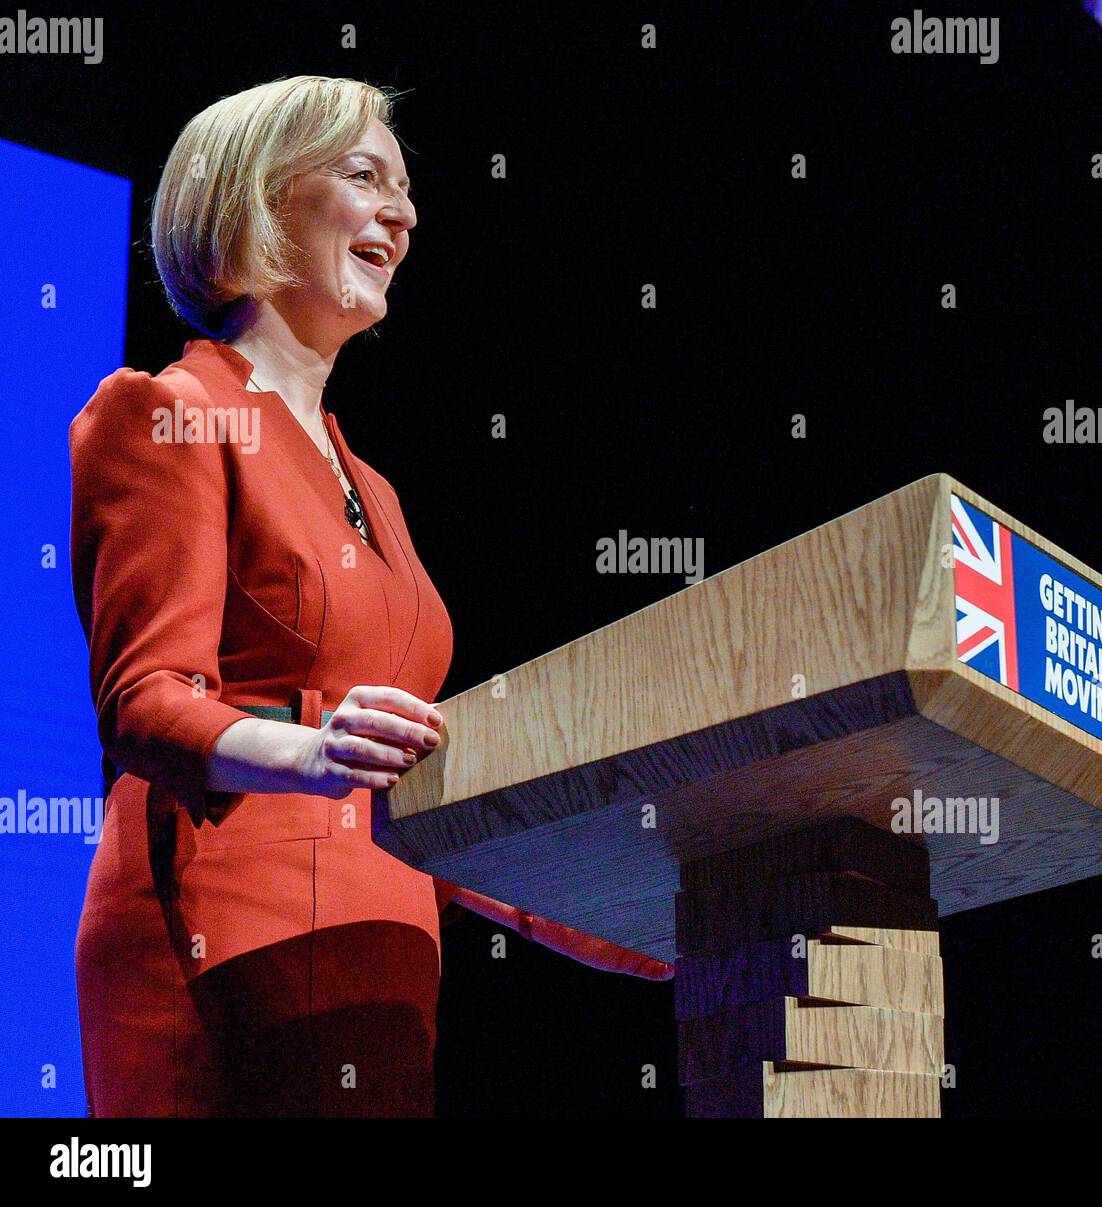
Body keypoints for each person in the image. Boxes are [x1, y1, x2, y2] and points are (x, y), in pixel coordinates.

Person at [70, 75, 670, 1119]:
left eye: (405, 189)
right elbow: (146, 702)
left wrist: (642, 916)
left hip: (383, 948)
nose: (404, 213)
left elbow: (416, 769)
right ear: (256, 200)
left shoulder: (376, 490)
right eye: (363, 178)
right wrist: (312, 749)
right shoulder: (166, 413)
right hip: (227, 923)